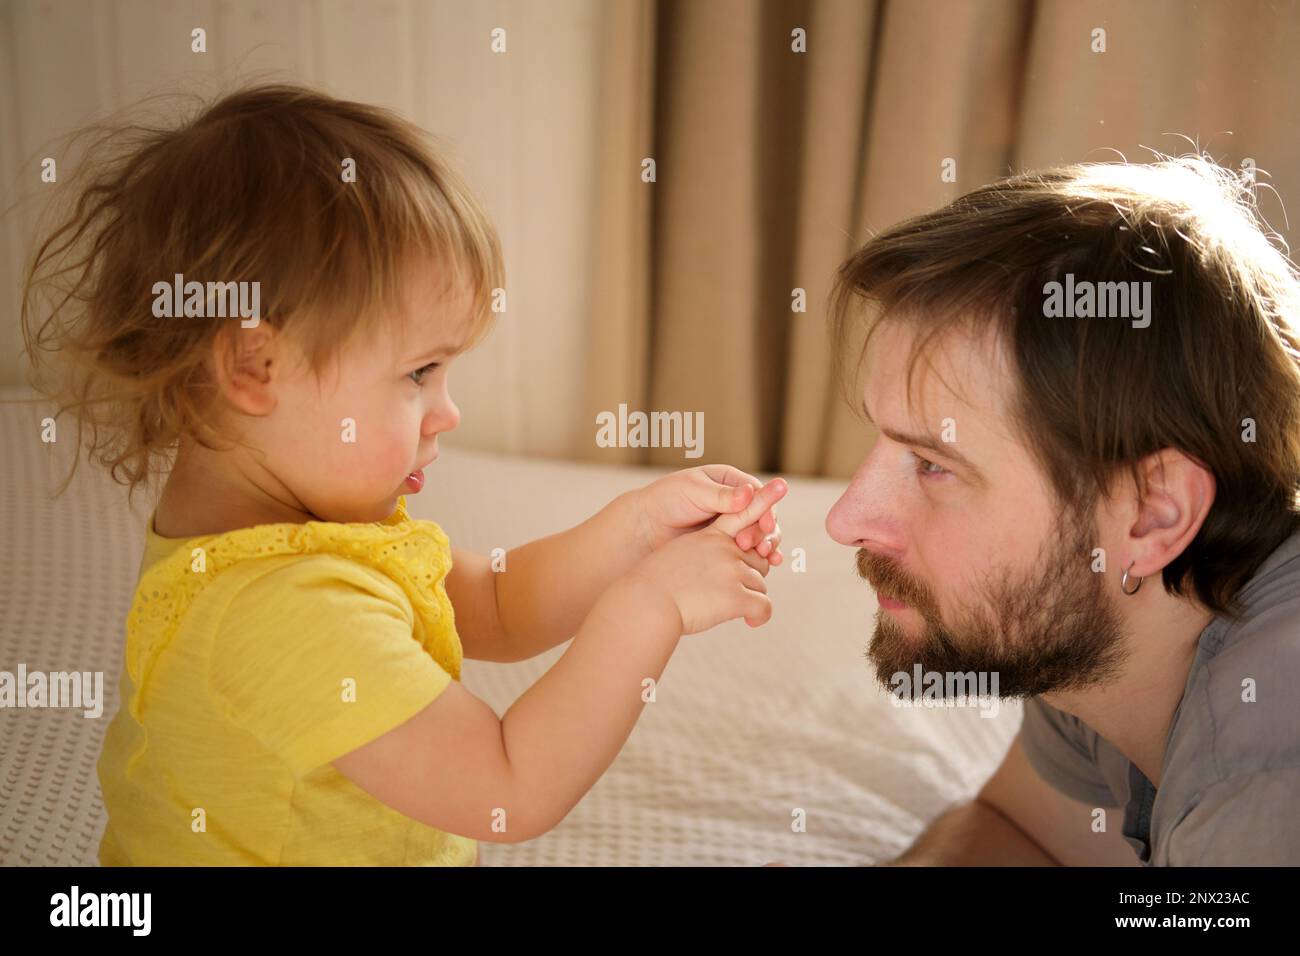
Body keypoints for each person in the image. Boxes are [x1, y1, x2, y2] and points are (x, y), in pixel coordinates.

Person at [20, 82, 788, 865]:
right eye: (419, 372)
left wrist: (638, 528)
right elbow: (506, 788)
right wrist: (649, 604)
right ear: (256, 364)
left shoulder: (302, 540)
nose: (446, 412)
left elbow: (494, 602)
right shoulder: (278, 613)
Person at [824, 157, 1300, 865]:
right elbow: (1019, 830)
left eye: (933, 465)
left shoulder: (1263, 783)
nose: (847, 519)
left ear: (1154, 517)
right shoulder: (1096, 620)